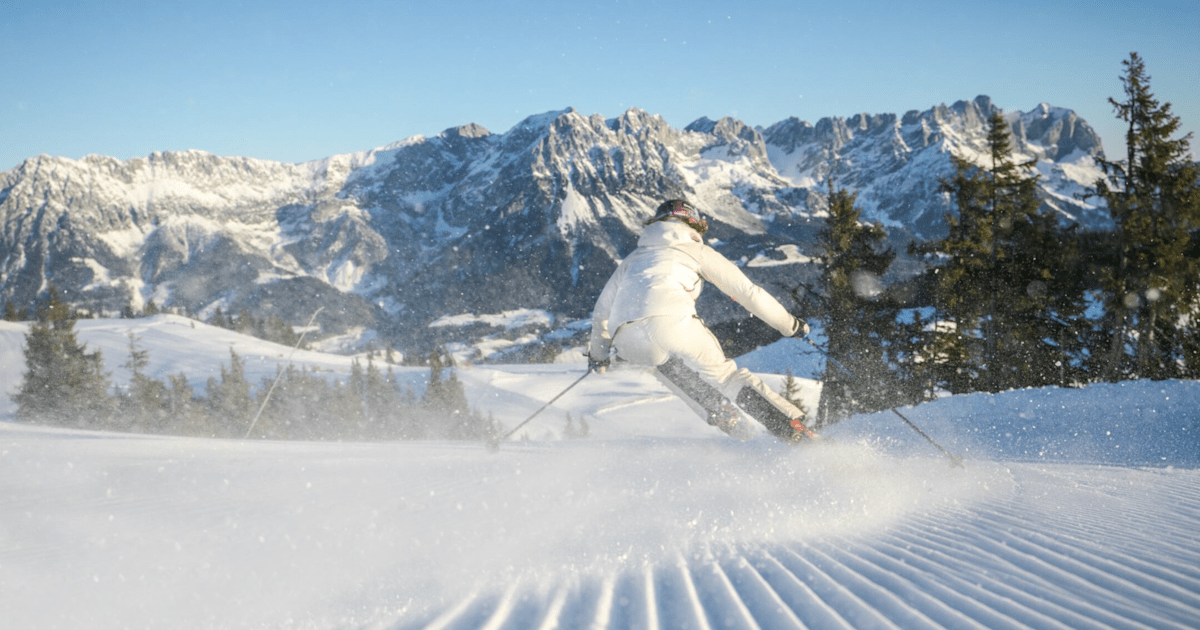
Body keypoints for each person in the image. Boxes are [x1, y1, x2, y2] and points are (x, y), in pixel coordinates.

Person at [587, 198, 818, 443]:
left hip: (627, 337)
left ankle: (721, 412)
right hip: (672, 321)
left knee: (664, 365)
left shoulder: (632, 259)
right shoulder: (697, 250)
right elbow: (748, 293)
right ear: (694, 225)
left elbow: (602, 311)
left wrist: (599, 356)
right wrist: (789, 325)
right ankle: (791, 428)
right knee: (726, 378)